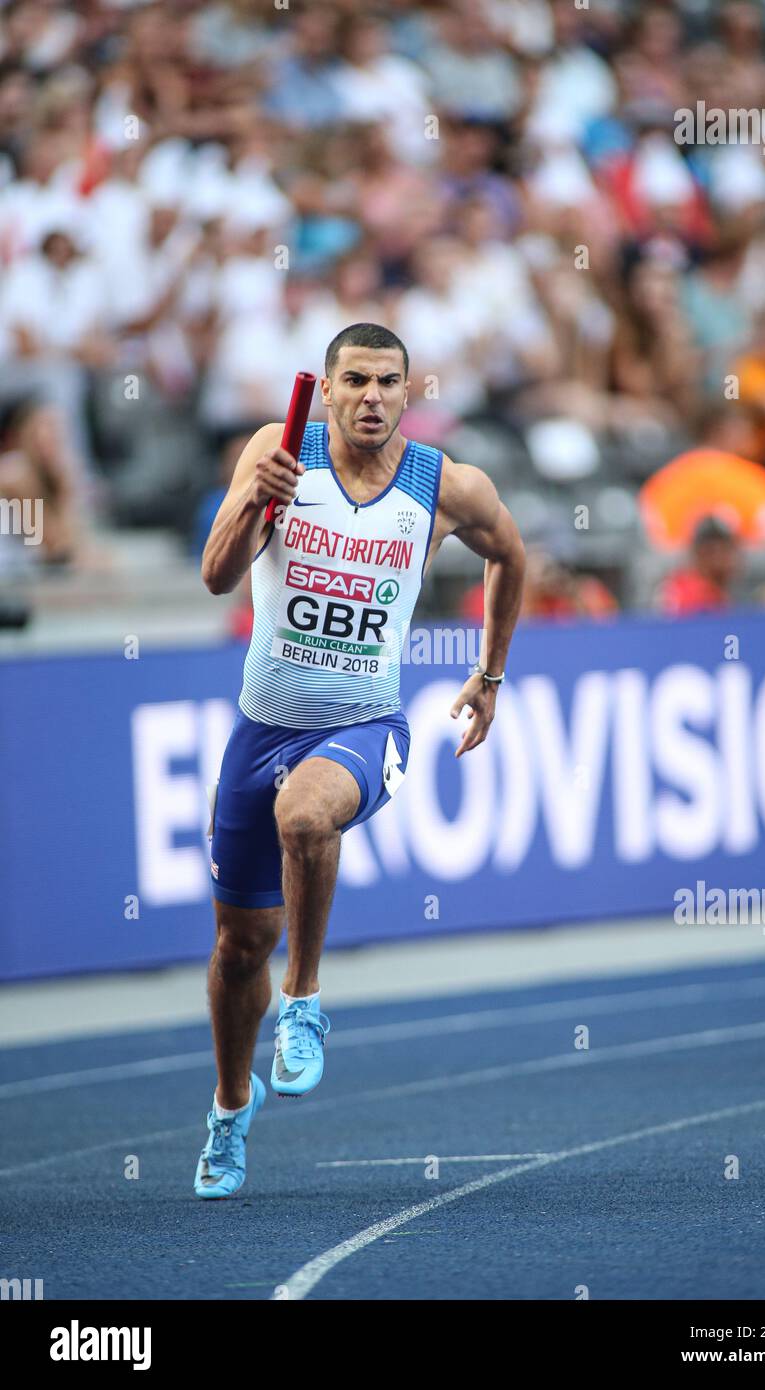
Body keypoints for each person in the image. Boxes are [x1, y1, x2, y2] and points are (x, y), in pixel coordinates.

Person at [195, 322, 525, 1198]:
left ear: (407, 395)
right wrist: (249, 505)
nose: (372, 397)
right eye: (355, 381)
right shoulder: (277, 450)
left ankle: (303, 1007)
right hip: (260, 730)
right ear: (327, 391)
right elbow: (217, 577)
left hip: (366, 727)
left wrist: (489, 673)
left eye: (388, 382)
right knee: (237, 949)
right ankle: (231, 1107)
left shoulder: (445, 485)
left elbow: (511, 555)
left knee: (305, 814)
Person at [657, 514, 741, 616]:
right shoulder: (687, 591)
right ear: (698, 553)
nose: (720, 558)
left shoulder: (739, 586)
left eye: (726, 549)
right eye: (711, 550)